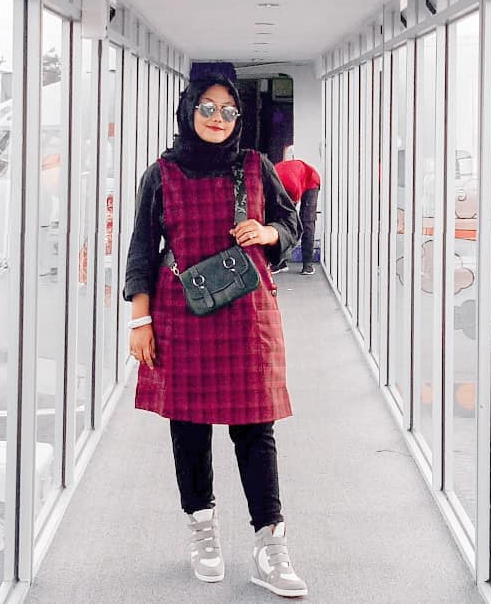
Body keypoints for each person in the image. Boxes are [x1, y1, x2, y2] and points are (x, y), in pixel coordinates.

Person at [123, 76, 307, 597]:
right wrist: (141, 321)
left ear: (238, 119)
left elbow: (289, 221)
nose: (217, 118)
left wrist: (269, 232)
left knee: (255, 430)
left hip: (248, 313)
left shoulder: (254, 166)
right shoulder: (161, 173)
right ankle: (202, 532)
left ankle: (271, 547)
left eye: (228, 111)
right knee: (188, 426)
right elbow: (141, 248)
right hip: (180, 310)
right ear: (188, 110)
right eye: (207, 107)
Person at [273, 155, 321, 276]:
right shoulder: (269, 180)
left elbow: (290, 215)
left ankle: (308, 265)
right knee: (279, 221)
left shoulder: (291, 186)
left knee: (307, 221)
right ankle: (280, 263)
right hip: (292, 176)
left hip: (310, 181)